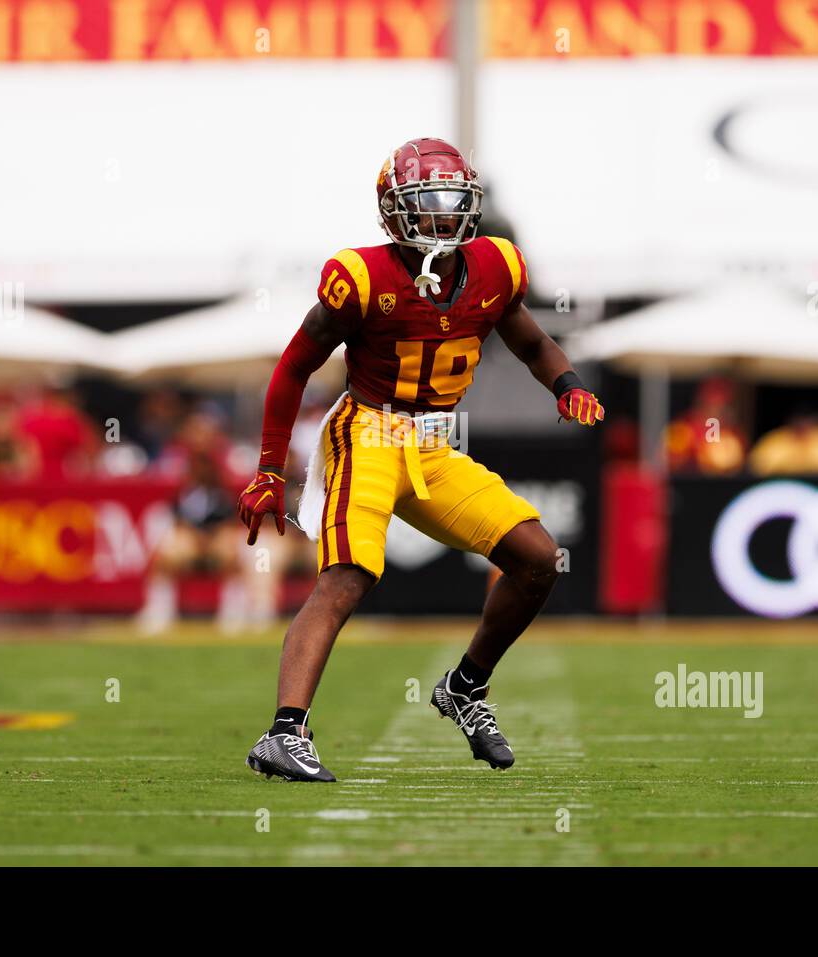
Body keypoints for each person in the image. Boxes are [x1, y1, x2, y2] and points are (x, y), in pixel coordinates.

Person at [236, 137, 604, 782]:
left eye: (452, 201)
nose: (441, 216)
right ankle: (284, 733)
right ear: (392, 211)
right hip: (368, 431)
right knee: (347, 576)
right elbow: (293, 368)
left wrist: (568, 385)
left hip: (434, 441)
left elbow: (533, 340)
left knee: (538, 559)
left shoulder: (496, 268)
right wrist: (270, 467)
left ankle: (465, 688)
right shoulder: (361, 277)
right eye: (425, 202)